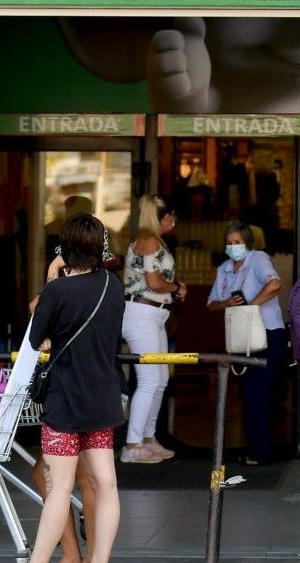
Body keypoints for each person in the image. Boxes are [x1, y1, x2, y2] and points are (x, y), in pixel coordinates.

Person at [28, 213, 124, 563]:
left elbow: (36, 339)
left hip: (64, 403)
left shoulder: (58, 291)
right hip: (102, 399)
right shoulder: (113, 286)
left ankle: (37, 561)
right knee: (106, 484)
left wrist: (52, 276)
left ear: (65, 249)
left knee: (59, 491)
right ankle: (99, 560)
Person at [206, 221, 284, 466]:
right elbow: (211, 303)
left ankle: (262, 450)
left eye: (237, 242)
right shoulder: (224, 269)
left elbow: (275, 284)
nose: (233, 247)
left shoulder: (258, 259)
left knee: (257, 392)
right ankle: (256, 449)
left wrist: (252, 305)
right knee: (249, 394)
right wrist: (228, 304)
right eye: (229, 243)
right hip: (241, 338)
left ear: (247, 244)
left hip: (268, 333)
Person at [120, 194, 185, 464]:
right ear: (160, 218)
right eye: (169, 217)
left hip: (153, 314)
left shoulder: (152, 240)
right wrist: (177, 288)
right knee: (149, 381)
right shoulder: (148, 240)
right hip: (141, 313)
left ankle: (148, 439)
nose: (173, 222)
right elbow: (154, 282)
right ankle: (132, 445)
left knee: (159, 380)